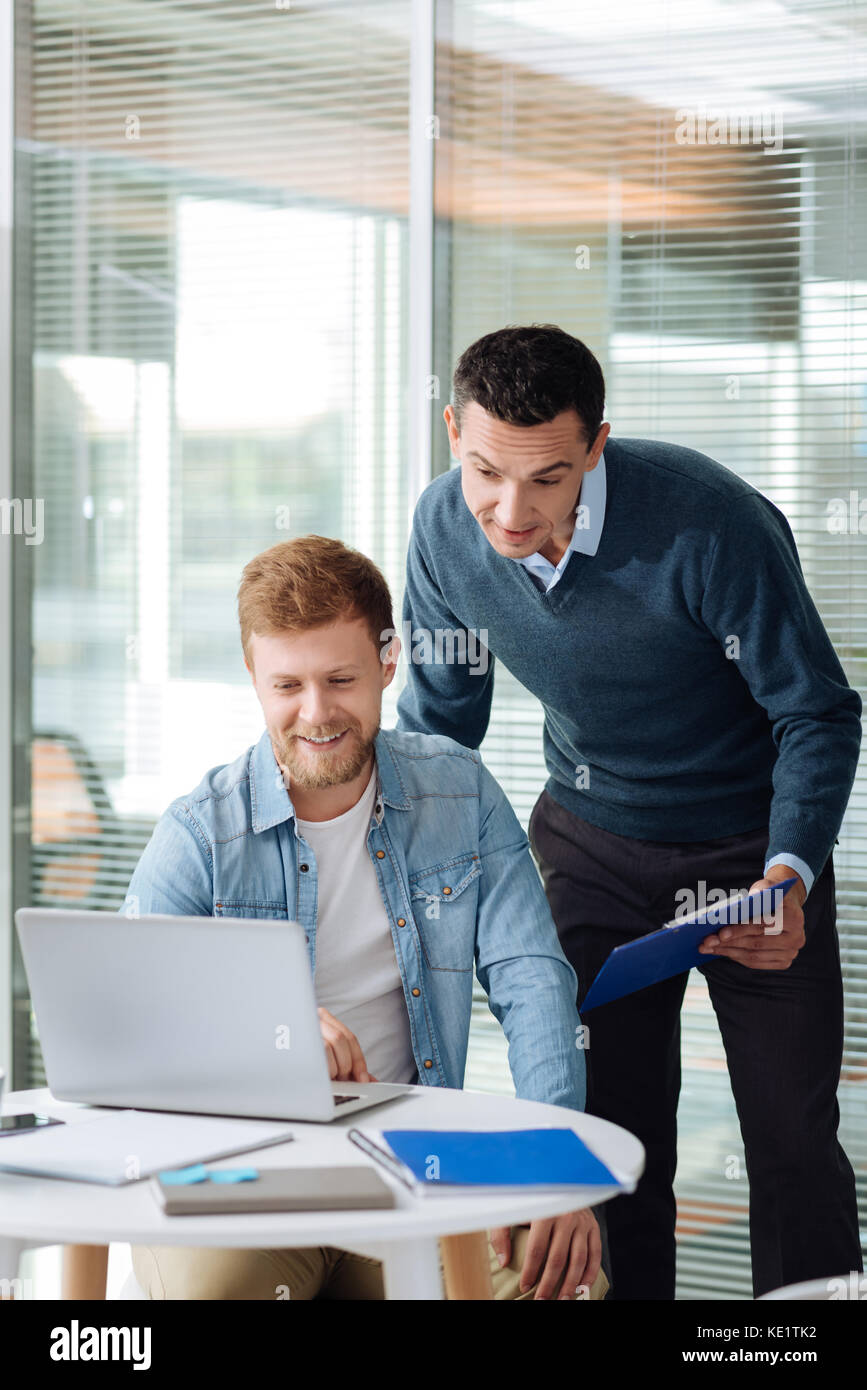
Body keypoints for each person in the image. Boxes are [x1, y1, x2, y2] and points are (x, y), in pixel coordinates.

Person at [396, 322, 863, 1300]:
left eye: (548, 477)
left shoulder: (708, 524)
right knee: (611, 1146)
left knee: (791, 1145)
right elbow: (443, 725)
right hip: (591, 847)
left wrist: (792, 872)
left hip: (751, 855)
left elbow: (815, 710)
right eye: (485, 470)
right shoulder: (445, 528)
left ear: (597, 446)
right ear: (452, 430)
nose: (509, 510)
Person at [122, 534, 608, 1301]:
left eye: (340, 679)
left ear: (388, 663)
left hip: (410, 1166)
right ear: (253, 675)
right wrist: (263, 1030)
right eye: (287, 685)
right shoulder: (197, 835)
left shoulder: (460, 792)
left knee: (559, 1284)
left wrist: (552, 1165)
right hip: (239, 1175)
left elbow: (533, 980)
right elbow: (123, 1026)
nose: (315, 714)